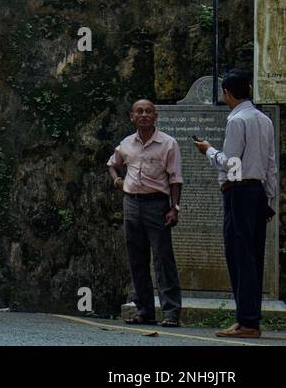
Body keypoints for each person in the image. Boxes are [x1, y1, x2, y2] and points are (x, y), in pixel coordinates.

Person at [194, 69, 279, 339]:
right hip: (257, 191)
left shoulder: (236, 120)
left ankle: (247, 322)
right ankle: (249, 318)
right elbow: (271, 164)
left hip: (239, 192)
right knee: (253, 257)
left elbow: (231, 162)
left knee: (239, 256)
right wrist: (268, 199)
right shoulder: (264, 120)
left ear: (227, 93)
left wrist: (208, 150)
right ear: (250, 90)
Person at [107, 99, 183, 327]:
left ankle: (171, 313)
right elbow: (112, 164)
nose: (144, 115)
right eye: (139, 112)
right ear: (132, 116)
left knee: (163, 259)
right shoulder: (126, 144)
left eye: (149, 111)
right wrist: (117, 180)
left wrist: (174, 208)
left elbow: (176, 179)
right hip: (131, 204)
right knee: (136, 259)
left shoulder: (168, 144)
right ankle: (145, 311)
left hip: (157, 205)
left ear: (156, 116)